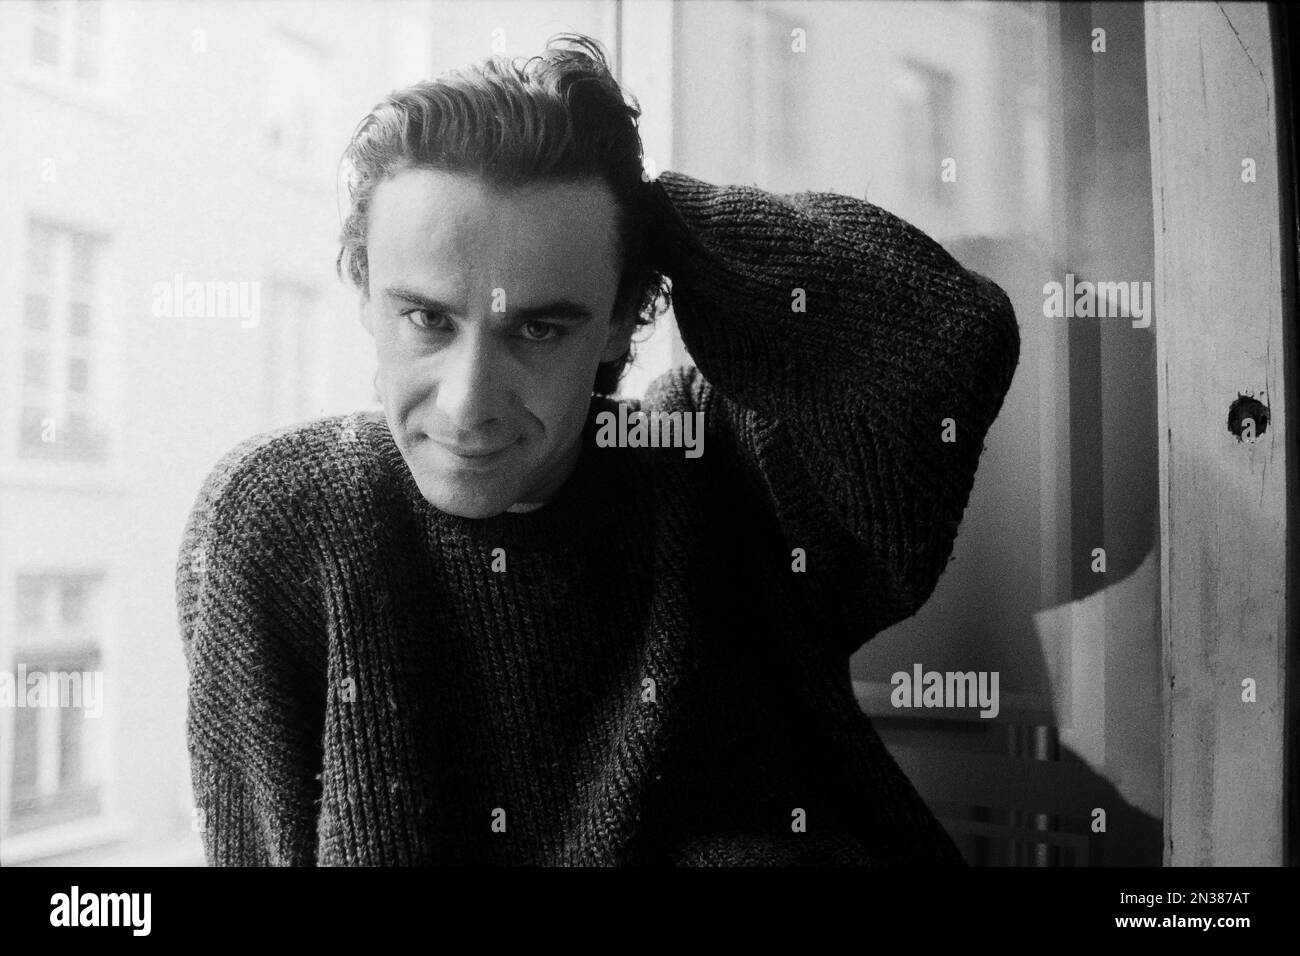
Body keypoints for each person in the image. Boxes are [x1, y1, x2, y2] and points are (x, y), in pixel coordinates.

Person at [176, 33, 1019, 866]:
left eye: (539, 327)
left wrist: (661, 222)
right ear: (364, 290)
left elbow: (944, 339)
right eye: (427, 318)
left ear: (620, 317)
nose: (468, 403)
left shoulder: (712, 470)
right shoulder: (280, 524)